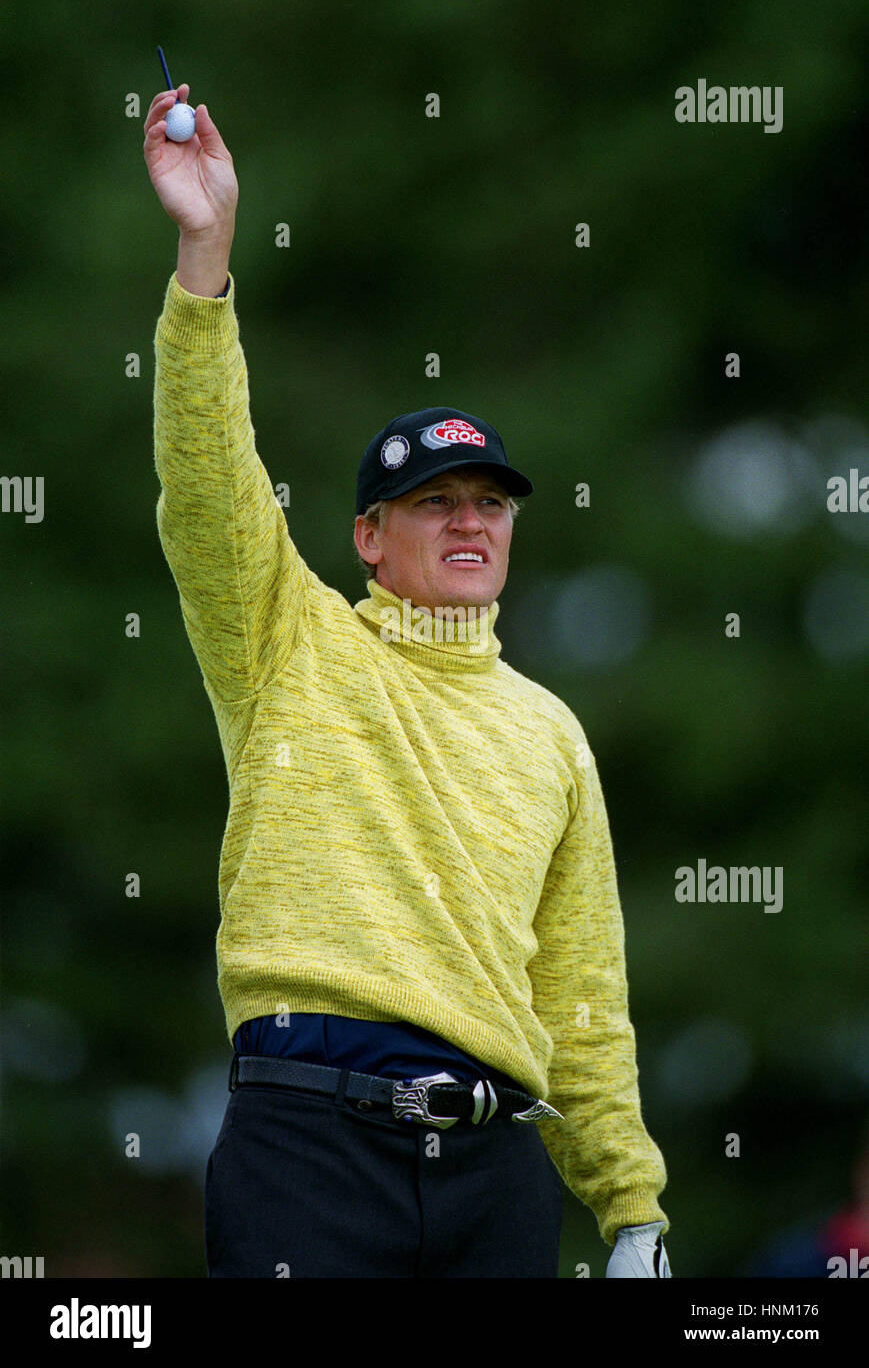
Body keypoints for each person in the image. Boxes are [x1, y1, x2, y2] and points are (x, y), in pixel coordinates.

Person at [143, 86, 671, 1279]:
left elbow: (582, 1001)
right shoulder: (289, 640)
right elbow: (208, 477)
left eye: (489, 501)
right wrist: (205, 258)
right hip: (308, 1142)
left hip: (495, 1174)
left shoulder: (550, 732)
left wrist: (630, 1207)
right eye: (434, 501)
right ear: (369, 538)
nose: (470, 519)